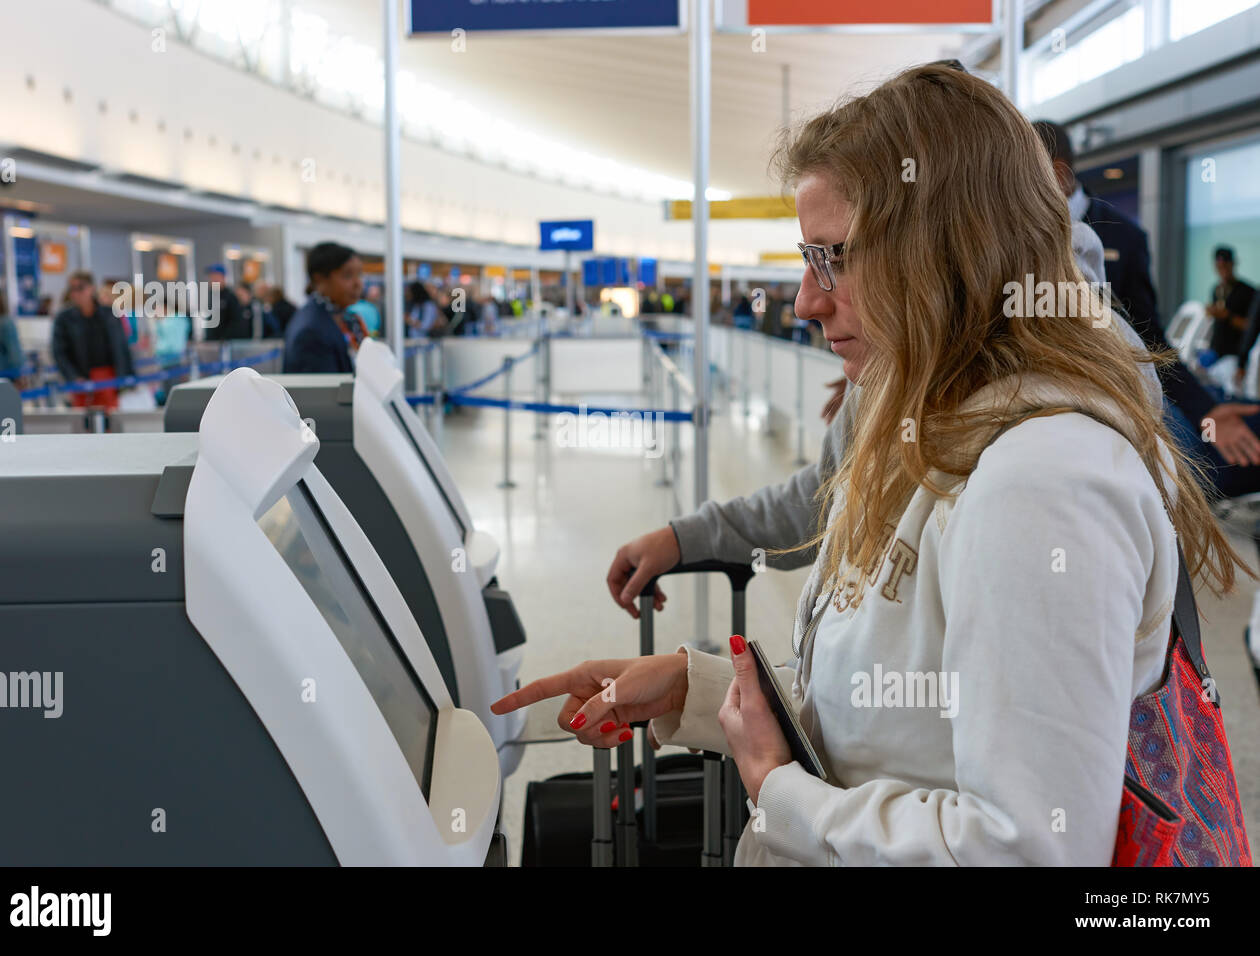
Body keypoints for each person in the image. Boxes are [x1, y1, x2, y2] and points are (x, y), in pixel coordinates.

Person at [493, 62, 1247, 866]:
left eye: (833, 260)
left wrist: (780, 796)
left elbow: (1024, 851)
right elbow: (897, 712)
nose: (806, 302)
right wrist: (706, 692)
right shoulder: (920, 420)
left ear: (947, 252)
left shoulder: (1041, 481)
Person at [1035, 120, 1260, 495]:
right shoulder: (1014, 237)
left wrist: (1206, 411)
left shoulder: (1123, 235)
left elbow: (1149, 336)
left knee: (1183, 469)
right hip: (1047, 404)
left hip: (1122, 396)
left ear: (1058, 173)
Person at [51, 270, 136, 409]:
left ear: (92, 288)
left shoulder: (109, 314)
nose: (76, 293)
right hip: (81, 377)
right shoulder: (64, 319)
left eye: (80, 288)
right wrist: (73, 376)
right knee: (82, 421)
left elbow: (121, 347)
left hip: (108, 376)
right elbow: (59, 351)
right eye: (72, 289)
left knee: (110, 419)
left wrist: (127, 376)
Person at [283, 242, 365, 374]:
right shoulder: (311, 331)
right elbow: (321, 392)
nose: (358, 283)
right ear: (320, 279)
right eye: (348, 275)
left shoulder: (346, 319)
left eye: (359, 274)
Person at [1209, 246, 1257, 364]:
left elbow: (1252, 326)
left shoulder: (1248, 292)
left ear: (1233, 264)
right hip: (1215, 352)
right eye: (1219, 267)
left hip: (1235, 355)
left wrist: (1228, 316)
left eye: (1225, 266)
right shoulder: (1217, 290)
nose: (1223, 270)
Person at [203, 264, 250, 340]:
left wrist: (224, 338)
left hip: (227, 344)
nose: (211, 280)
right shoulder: (212, 297)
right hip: (213, 344)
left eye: (214, 277)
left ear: (222, 277)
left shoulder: (230, 297)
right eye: (211, 277)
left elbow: (236, 322)